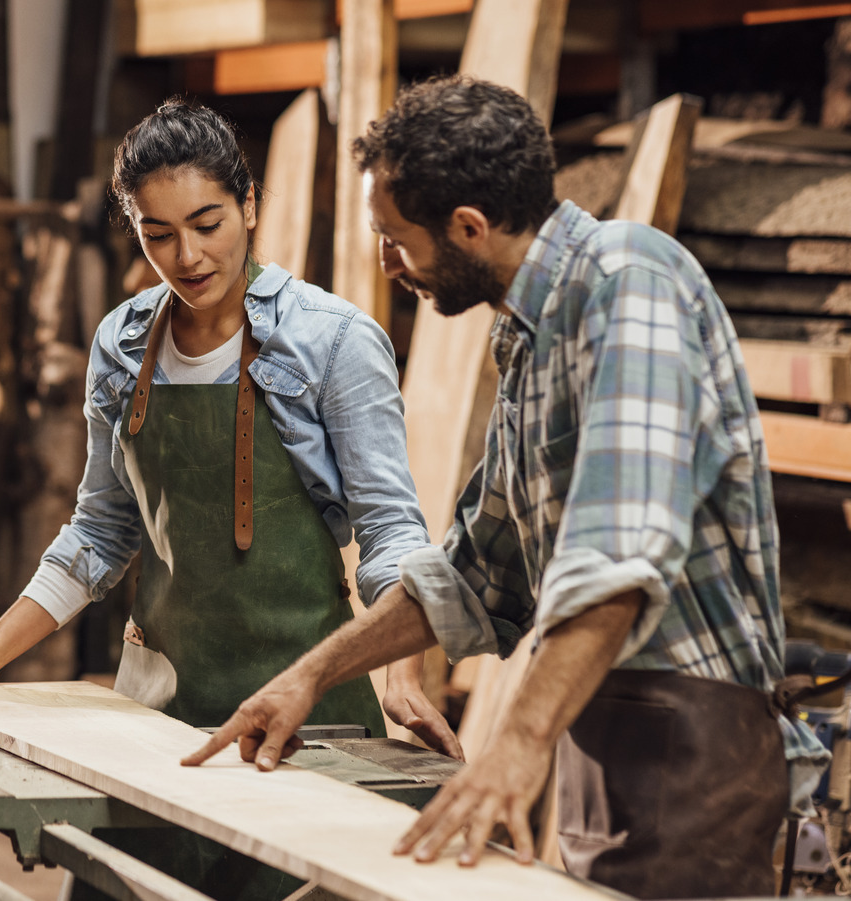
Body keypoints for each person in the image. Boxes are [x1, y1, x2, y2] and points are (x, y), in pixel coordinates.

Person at [183, 74, 829, 900]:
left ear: (469, 228)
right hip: (611, 729)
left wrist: (516, 745)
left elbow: (618, 563)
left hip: (700, 740)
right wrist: (309, 675)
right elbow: (474, 576)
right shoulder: (528, 336)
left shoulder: (627, 283)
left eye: (396, 239)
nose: (387, 262)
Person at [0, 98, 458, 896]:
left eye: (208, 223)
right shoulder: (121, 344)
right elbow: (100, 530)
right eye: (158, 234)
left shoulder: (333, 340)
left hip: (304, 722)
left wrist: (402, 671)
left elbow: (392, 530)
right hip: (152, 727)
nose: (186, 256)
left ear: (250, 205)